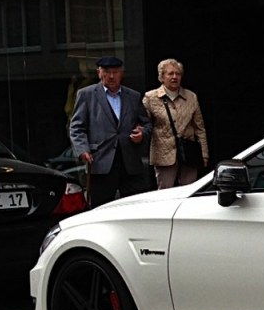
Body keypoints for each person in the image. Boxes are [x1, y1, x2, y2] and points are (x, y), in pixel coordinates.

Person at [69, 55, 152, 208]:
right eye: (107, 72)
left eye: (115, 72)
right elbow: (76, 127)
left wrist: (142, 134)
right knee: (100, 207)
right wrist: (82, 150)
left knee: (137, 206)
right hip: (100, 161)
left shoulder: (133, 96)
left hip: (129, 162)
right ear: (99, 73)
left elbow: (146, 124)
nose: (111, 76)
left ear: (122, 73)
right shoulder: (86, 94)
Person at [143, 58, 209, 189]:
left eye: (178, 74)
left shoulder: (191, 97)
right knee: (165, 193)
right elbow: (145, 125)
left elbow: (199, 128)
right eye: (170, 73)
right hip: (164, 154)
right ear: (161, 77)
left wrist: (204, 154)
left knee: (189, 191)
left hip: (189, 152)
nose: (174, 77)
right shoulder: (150, 98)